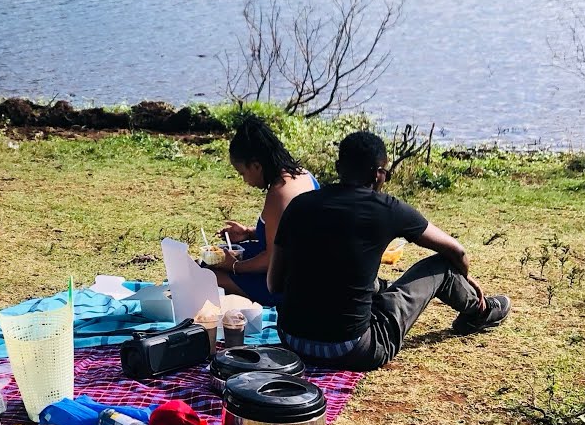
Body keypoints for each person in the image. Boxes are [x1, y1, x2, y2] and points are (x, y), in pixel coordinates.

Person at [267, 131, 511, 371]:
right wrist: (466, 276)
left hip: (292, 342)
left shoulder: (299, 206)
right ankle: (480, 311)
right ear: (377, 174)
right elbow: (456, 252)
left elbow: (274, 285)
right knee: (441, 267)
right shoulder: (387, 209)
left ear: (339, 167)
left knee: (366, 282)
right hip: (353, 348)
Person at [205, 115, 320, 305]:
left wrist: (233, 266)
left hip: (291, 285)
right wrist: (249, 233)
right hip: (312, 270)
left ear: (257, 165)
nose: (244, 180)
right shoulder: (303, 174)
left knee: (206, 274)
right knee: (222, 257)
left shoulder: (279, 193)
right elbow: (290, 233)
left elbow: (272, 260)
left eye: (243, 173)